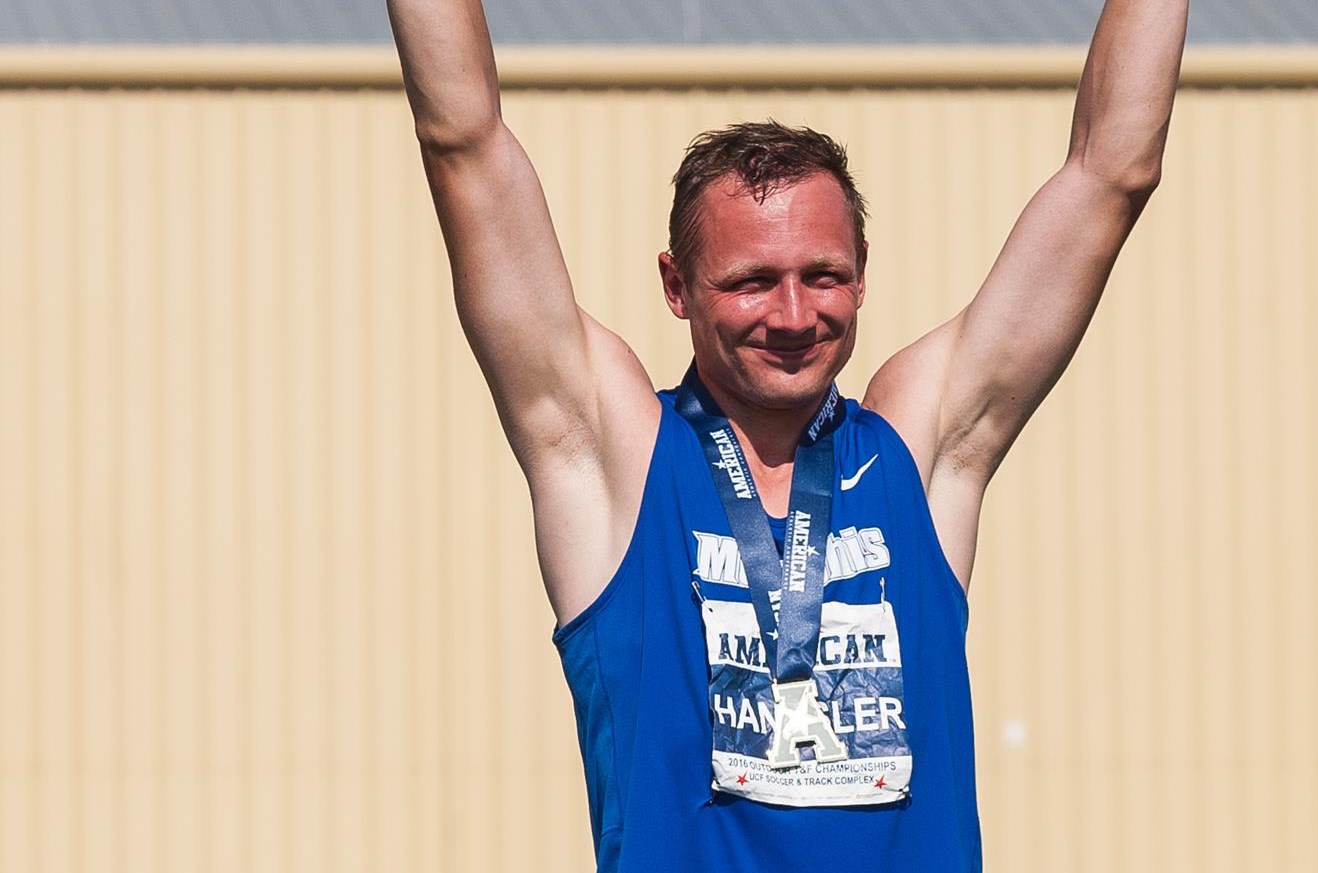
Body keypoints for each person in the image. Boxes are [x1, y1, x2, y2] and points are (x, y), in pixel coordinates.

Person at [388, 1, 1187, 870]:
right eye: (752, 281)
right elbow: (464, 143)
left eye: (824, 274)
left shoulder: (917, 451)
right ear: (677, 285)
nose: (795, 314)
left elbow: (1111, 172)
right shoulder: (614, 459)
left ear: (863, 274)